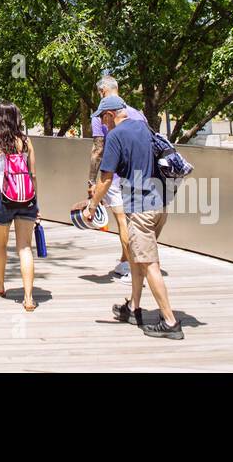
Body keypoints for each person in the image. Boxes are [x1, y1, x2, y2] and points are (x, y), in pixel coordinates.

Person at [73, 94, 183, 339]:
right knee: (136, 258)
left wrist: (92, 205)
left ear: (111, 115)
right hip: (159, 205)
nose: (102, 123)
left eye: (103, 118)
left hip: (140, 208)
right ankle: (133, 309)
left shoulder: (115, 136)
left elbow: (106, 178)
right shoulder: (144, 128)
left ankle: (170, 322)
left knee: (148, 263)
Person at [0, 101, 40, 312]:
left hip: (2, 198)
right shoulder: (26, 142)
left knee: (0, 245)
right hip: (27, 199)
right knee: (25, 247)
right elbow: (33, 174)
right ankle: (28, 298)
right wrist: (37, 202)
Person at [89, 75, 148, 279]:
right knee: (137, 222)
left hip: (114, 177)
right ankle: (127, 261)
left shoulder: (100, 116)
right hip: (142, 175)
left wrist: (91, 182)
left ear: (102, 92)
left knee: (123, 222)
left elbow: (98, 150)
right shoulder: (138, 114)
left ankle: (132, 269)